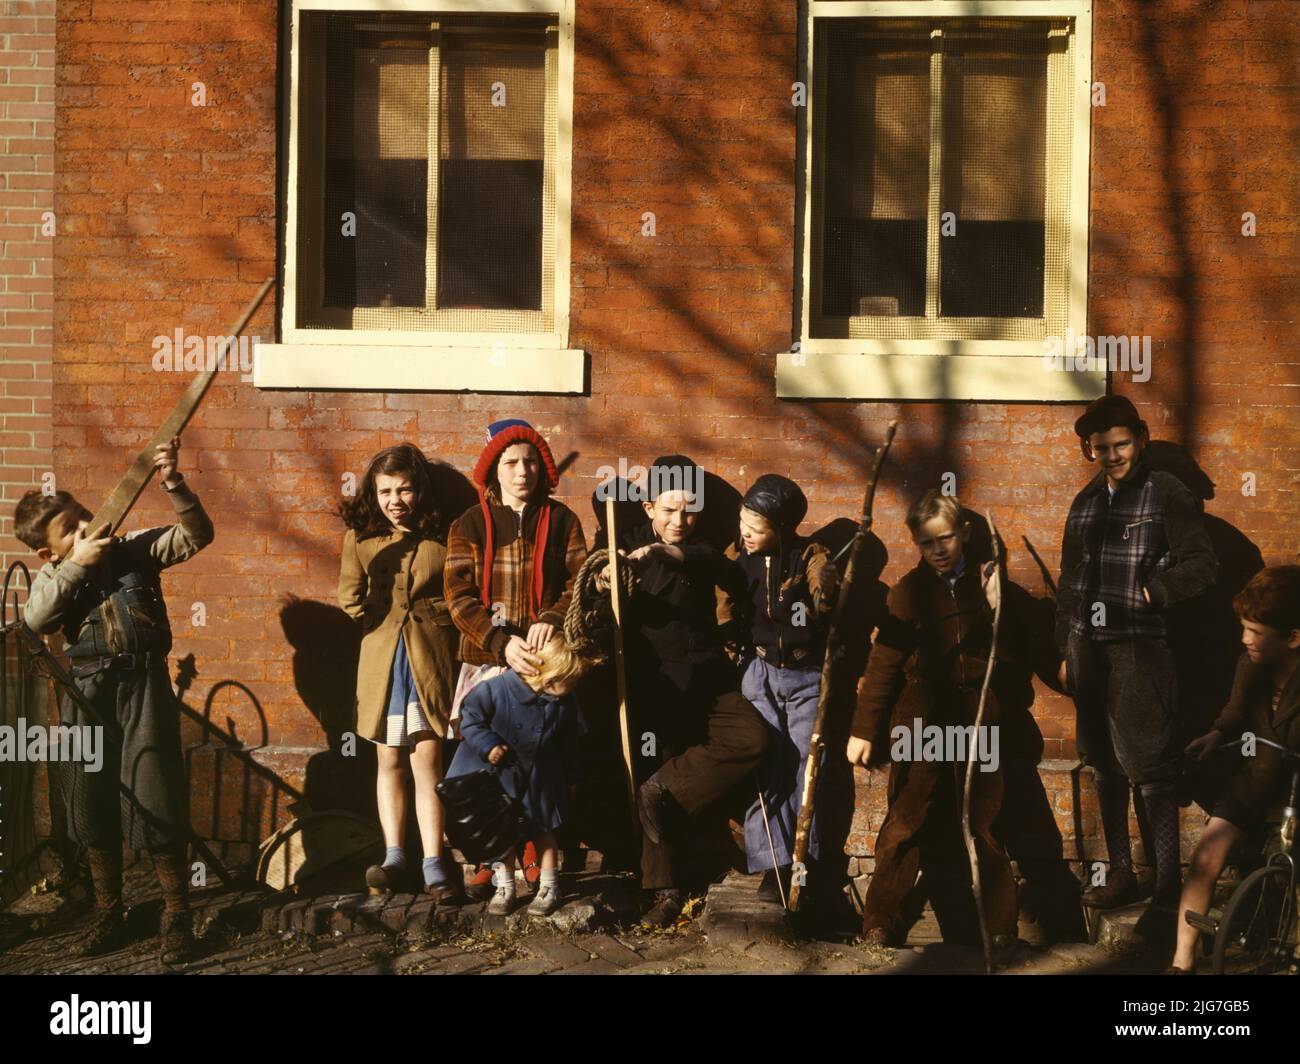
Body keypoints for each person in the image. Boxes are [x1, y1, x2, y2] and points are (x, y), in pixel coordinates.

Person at [15, 436, 212, 964]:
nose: (86, 528)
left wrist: (173, 481)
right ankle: (109, 912)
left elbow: (197, 534)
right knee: (93, 802)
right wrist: (76, 563)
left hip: (142, 686)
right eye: (70, 530)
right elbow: (34, 621)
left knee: (157, 795)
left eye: (84, 515)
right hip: (88, 696)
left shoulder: (134, 549)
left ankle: (177, 914)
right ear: (46, 551)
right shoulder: (53, 578)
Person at [846, 490, 1061, 958]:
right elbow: (883, 665)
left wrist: (999, 607)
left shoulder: (993, 586)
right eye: (927, 543)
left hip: (979, 715)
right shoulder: (908, 592)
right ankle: (881, 923)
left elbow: (1033, 645)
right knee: (907, 819)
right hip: (922, 714)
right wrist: (864, 730)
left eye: (945, 538)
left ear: (964, 533)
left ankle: (998, 929)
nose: (938, 550)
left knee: (984, 821)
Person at [1056, 395, 1218, 939]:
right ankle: (1124, 873)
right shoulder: (1084, 502)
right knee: (1103, 762)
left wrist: (1155, 591)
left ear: (1141, 440)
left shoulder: (1169, 493)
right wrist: (1064, 648)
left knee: (1150, 769)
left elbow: (1203, 564)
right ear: (1090, 450)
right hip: (1088, 649)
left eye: (1121, 444)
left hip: (1140, 651)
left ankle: (1166, 887)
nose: (1112, 455)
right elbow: (1069, 583)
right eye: (1101, 448)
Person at [603, 454, 768, 927]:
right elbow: (596, 583)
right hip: (655, 688)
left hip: (709, 682)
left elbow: (727, 572)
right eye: (670, 511)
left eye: (689, 511)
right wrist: (604, 579)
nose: (680, 521)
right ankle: (664, 889)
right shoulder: (625, 546)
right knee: (653, 761)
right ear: (650, 507)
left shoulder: (706, 550)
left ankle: (663, 791)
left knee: (750, 740)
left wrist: (672, 553)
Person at [444, 419, 587, 898]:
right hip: (490, 655)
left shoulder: (562, 519)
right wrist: (499, 639)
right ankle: (490, 850)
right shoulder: (468, 523)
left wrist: (551, 616)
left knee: (537, 758)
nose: (521, 471)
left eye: (530, 462)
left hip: (543, 663)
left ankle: (532, 849)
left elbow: (578, 581)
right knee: (485, 757)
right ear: (494, 471)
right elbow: (458, 594)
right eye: (510, 463)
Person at [338, 443, 462, 900]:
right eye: (386, 490)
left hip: (429, 658)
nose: (395, 500)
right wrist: (381, 623)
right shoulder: (361, 537)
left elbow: (458, 594)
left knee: (427, 760)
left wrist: (435, 620)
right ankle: (394, 856)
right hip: (382, 660)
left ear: (420, 491)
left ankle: (434, 862)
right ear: (374, 492)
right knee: (388, 758)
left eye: (405, 489)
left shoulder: (445, 535)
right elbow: (349, 599)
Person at [1169, 566, 1300, 973]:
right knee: (1206, 858)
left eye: (1255, 631)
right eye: (1243, 628)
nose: (1245, 639)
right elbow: (1235, 711)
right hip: (1255, 777)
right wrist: (1214, 735)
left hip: (1297, 789)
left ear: (1293, 638)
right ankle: (1182, 962)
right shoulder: (1249, 665)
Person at [717, 474, 837, 901]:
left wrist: (820, 597)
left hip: (806, 676)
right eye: (743, 522)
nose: (747, 533)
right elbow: (723, 603)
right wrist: (731, 637)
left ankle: (806, 861)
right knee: (767, 763)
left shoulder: (809, 557)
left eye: (758, 527)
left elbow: (826, 593)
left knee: (807, 767)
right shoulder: (736, 557)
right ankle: (774, 865)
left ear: (783, 530)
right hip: (761, 671)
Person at [445, 633, 594, 916]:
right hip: (502, 778)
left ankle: (550, 885)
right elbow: (471, 720)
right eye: (570, 680)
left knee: (544, 831)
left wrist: (572, 776)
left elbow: (569, 741)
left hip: (541, 778)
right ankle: (505, 885)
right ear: (548, 676)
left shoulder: (562, 702)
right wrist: (488, 745)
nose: (574, 686)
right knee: (504, 835)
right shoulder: (496, 690)